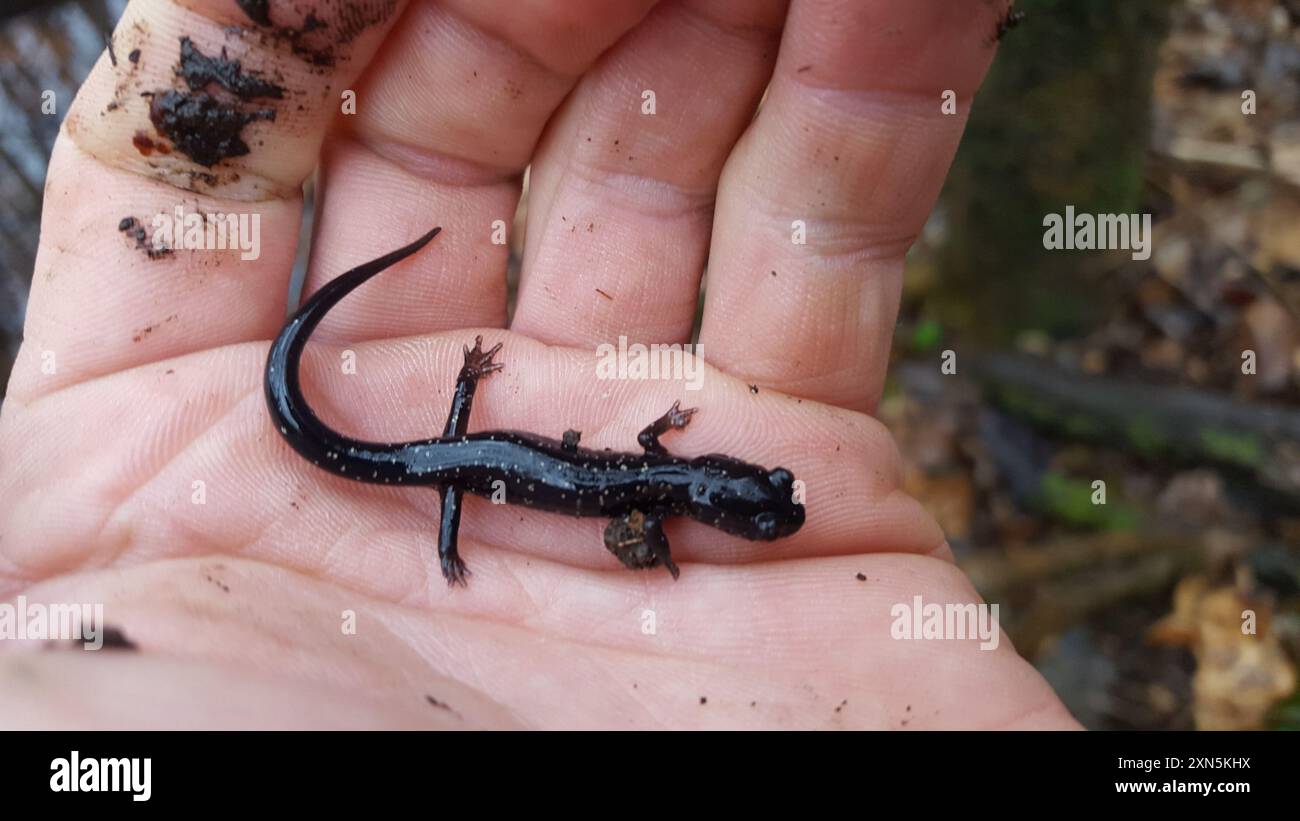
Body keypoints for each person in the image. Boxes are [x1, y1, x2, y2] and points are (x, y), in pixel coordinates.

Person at [0, 0, 1076, 729]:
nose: (763, 498)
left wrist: (497, 460)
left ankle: (357, 373)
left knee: (454, 459)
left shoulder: (656, 485)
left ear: (725, 492)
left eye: (762, 499)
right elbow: (637, 493)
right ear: (716, 494)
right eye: (762, 496)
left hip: (473, 453)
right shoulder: (650, 495)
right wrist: (478, 517)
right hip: (463, 457)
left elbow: (644, 475)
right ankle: (356, 378)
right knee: (446, 462)